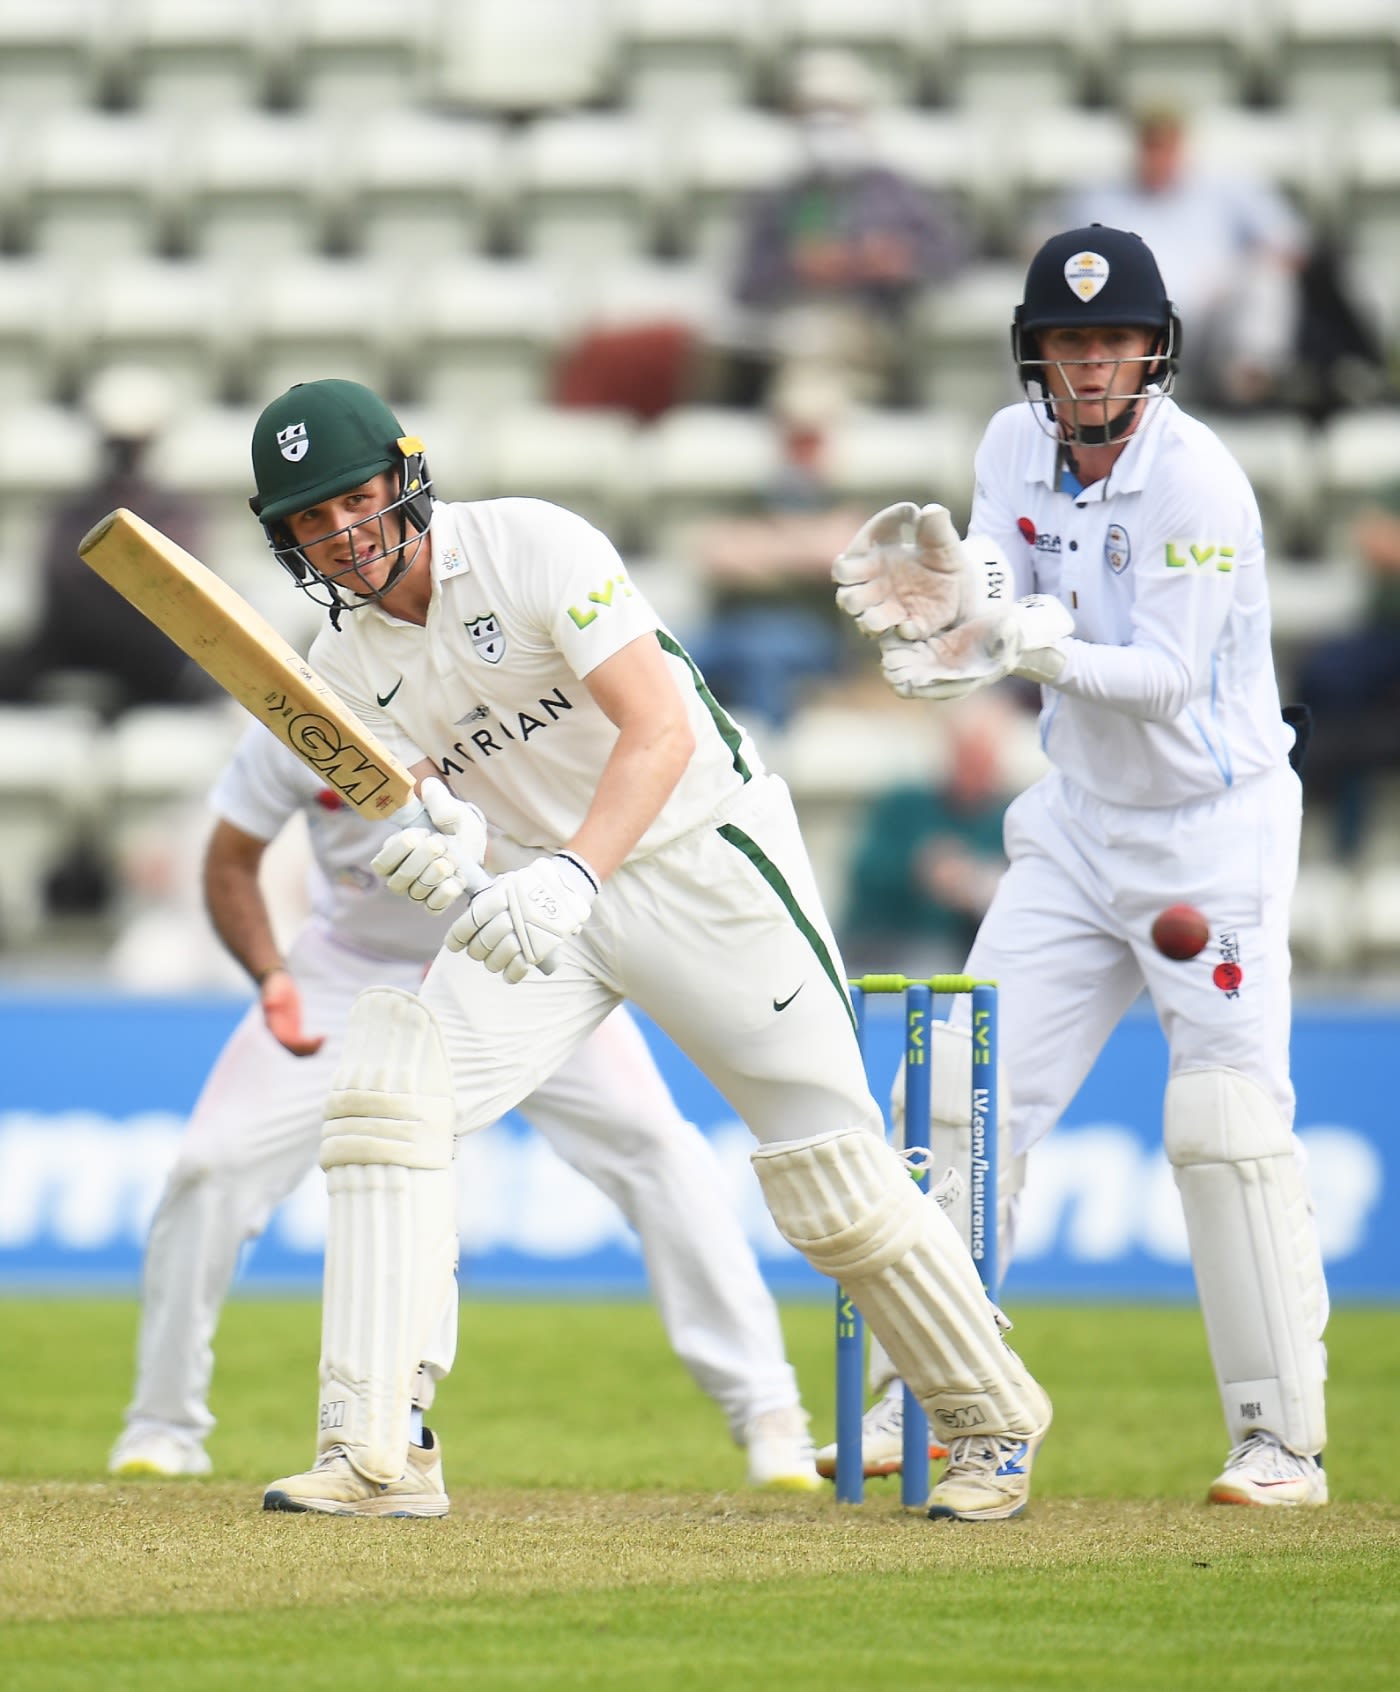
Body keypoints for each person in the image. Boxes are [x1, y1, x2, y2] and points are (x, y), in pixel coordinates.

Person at [243, 377, 1050, 1522]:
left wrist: (575, 871)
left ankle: (987, 1420)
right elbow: (423, 792)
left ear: (405, 480)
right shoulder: (339, 655)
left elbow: (659, 726)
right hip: (538, 900)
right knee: (393, 1098)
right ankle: (379, 1445)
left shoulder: (531, 545)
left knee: (826, 1171)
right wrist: (438, 842)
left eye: (356, 500)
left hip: (696, 861)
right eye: (313, 520)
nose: (342, 533)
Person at [830, 225, 1329, 1507]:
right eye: (1067, 341)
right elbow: (1001, 566)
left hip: (1207, 834)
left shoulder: (1197, 482)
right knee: (953, 1100)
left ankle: (1277, 1443)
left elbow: (1163, 678)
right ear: (1034, 353)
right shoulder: (1010, 442)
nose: (1090, 363)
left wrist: (1020, 646)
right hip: (1072, 823)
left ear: (1154, 350)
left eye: (1112, 341)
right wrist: (961, 610)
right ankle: (933, 1396)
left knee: (1221, 1128)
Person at [108, 720, 823, 1492]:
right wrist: (270, 975)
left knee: (655, 1146)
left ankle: (771, 1415)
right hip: (347, 970)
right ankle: (163, 1425)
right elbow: (230, 860)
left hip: (518, 956)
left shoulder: (496, 696)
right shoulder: (295, 716)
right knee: (208, 1168)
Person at [725, 48, 969, 411]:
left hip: (872, 329)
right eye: (811, 111)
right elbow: (743, 284)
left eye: (837, 111)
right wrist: (795, 268)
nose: (825, 123)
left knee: (815, 359)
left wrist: (897, 262)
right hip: (784, 333)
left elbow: (950, 260)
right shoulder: (778, 196)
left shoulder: (895, 193)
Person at [1052, 104, 1306, 411]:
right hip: (1131, 325)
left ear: (1181, 143)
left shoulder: (1227, 188)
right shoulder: (1099, 197)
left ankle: (1251, 385)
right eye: (1151, 143)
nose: (1158, 154)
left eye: (1166, 143)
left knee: (1266, 278)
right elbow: (1050, 254)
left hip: (1210, 322)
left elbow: (1288, 245)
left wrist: (1228, 276)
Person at [0, 364, 213, 718]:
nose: (123, 457)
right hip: (71, 641)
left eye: (133, 445)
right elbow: (58, 582)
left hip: (151, 651)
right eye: (116, 444)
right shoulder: (71, 510)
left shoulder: (178, 513)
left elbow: (174, 588)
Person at [839, 694, 1012, 976]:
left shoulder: (1008, 819)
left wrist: (981, 886)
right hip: (890, 946)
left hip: (969, 953)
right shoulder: (904, 805)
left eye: (985, 759)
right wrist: (921, 868)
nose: (977, 771)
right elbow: (863, 872)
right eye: (969, 758)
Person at [1296, 482, 1400, 860]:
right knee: (1325, 676)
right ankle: (1342, 846)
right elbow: (1373, 535)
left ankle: (1340, 841)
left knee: (1351, 733)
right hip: (1383, 637)